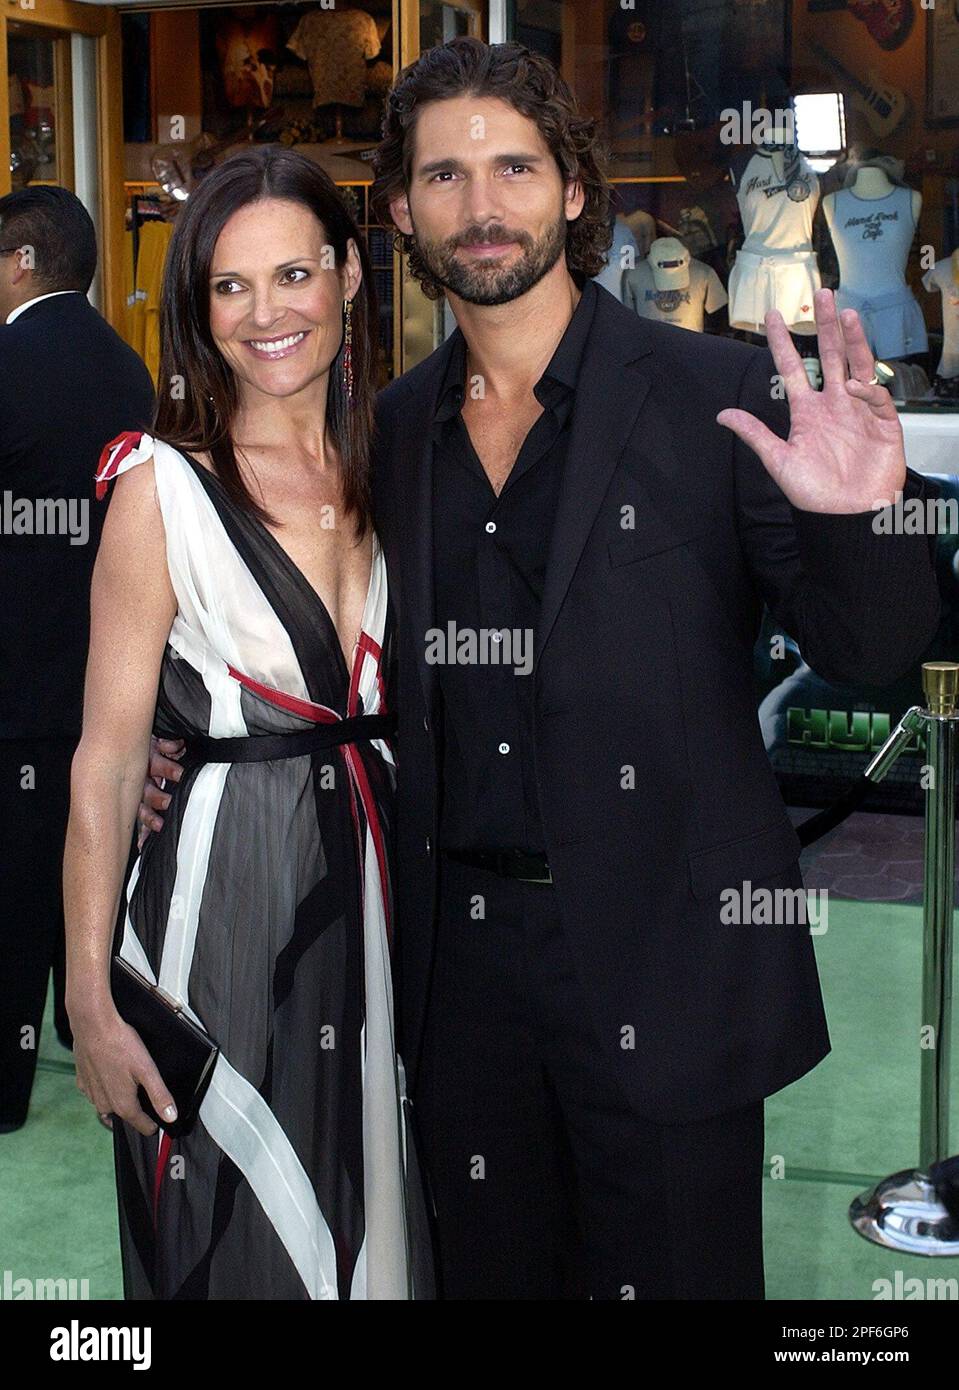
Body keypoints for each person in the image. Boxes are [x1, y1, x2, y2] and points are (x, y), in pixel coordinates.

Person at [141, 38, 941, 1300]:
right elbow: (306, 657)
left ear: (571, 189)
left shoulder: (714, 394)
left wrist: (859, 518)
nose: (481, 204)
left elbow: (873, 650)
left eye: (512, 167)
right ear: (400, 212)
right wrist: (172, 745)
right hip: (454, 989)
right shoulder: (383, 439)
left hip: (669, 974)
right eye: (443, 176)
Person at [63, 148, 433, 1299]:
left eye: (292, 275)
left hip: (376, 920)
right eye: (230, 285)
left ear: (348, 278)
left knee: (370, 1231)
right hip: (212, 933)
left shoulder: (395, 466)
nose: (266, 313)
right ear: (197, 305)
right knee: (225, 1247)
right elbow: (107, 760)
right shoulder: (161, 487)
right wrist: (87, 998)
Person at [0, 186, 155, 1134]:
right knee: (85, 846)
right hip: (105, 668)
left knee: (9, 883)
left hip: (14, 672)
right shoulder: (126, 367)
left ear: (21, 262)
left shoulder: (8, 362)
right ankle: (78, 1020)